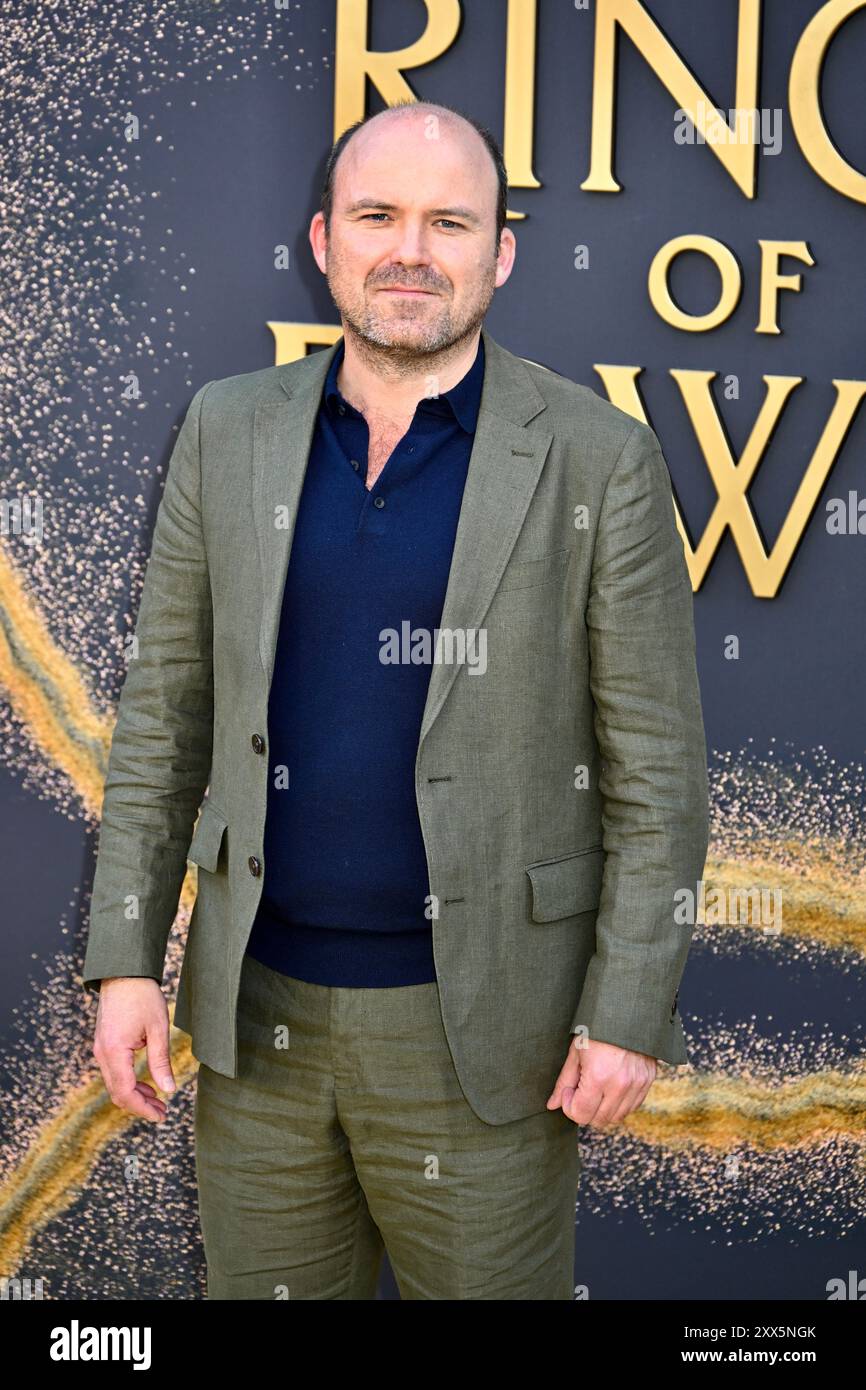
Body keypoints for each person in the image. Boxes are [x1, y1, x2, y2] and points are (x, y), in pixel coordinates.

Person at [84, 100, 709, 1300]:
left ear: (499, 254)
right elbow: (164, 717)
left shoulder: (597, 458)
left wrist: (625, 1010)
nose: (410, 249)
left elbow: (656, 776)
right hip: (251, 1021)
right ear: (323, 241)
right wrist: (125, 960)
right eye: (378, 215)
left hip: (487, 1041)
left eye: (448, 221)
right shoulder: (227, 430)